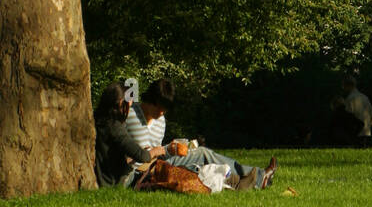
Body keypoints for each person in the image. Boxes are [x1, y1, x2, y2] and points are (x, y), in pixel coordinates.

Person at [94, 79, 277, 189]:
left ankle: (257, 176)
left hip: (154, 162)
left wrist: (170, 149)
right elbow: (121, 147)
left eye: (165, 110)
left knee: (202, 153)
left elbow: (159, 151)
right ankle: (243, 181)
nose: (162, 113)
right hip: (137, 168)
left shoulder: (161, 122)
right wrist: (153, 152)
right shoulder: (128, 114)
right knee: (194, 167)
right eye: (160, 108)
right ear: (152, 101)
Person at [341, 74, 372, 147]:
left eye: (343, 86)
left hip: (355, 132)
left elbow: (347, 117)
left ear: (348, 85)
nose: (343, 88)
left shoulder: (350, 99)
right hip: (366, 131)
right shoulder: (365, 97)